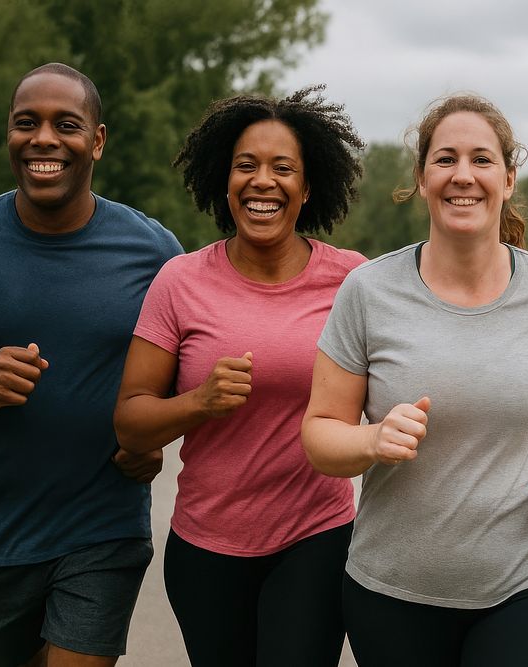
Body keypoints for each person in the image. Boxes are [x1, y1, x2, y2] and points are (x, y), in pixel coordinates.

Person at [301, 94, 528, 667]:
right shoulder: (368, 293)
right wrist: (371, 441)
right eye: (445, 160)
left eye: (482, 159)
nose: (463, 176)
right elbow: (320, 434)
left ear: (509, 177)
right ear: (421, 178)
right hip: (392, 589)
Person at [112, 86, 366, 667]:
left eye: (284, 168)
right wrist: (198, 402)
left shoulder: (353, 280)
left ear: (307, 187)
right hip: (208, 545)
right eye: (245, 165)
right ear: (223, 181)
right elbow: (131, 422)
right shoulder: (180, 281)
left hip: (317, 534)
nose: (263, 181)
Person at [0, 63, 182, 667]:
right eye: (25, 123)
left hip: (103, 525)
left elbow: (181, 376)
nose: (44, 139)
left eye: (67, 124)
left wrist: (154, 435)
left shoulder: (153, 254)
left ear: (99, 140)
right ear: (8, 134)